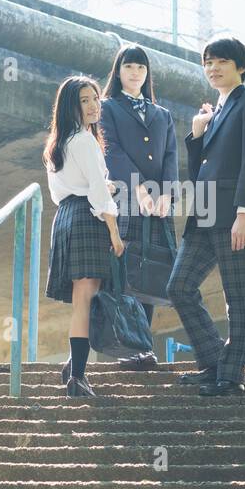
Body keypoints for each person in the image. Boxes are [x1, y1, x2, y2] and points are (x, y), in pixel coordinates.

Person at [166, 37, 245, 396]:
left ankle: (231, 376)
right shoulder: (216, 109)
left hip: (234, 214)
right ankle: (213, 363)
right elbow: (201, 172)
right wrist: (197, 135)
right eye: (208, 62)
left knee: (239, 294)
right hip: (205, 212)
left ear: (240, 67)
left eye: (221, 62)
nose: (213, 68)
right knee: (179, 286)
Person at [97, 43, 179, 371]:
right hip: (125, 200)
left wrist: (167, 194)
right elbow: (111, 150)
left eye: (141, 68)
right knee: (126, 272)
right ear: (118, 72)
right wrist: (140, 188)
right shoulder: (107, 107)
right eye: (129, 67)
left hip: (158, 205)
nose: (136, 73)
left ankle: (143, 347)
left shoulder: (163, 114)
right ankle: (128, 345)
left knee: (152, 272)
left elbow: (172, 156)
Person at [43, 75, 125, 397]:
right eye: (85, 101)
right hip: (87, 219)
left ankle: (72, 366)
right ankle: (78, 377)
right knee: (85, 302)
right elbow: (97, 195)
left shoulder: (57, 144)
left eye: (95, 99)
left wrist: (104, 186)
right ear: (71, 107)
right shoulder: (84, 140)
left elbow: (69, 189)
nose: (94, 106)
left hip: (65, 217)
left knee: (83, 303)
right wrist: (115, 233)